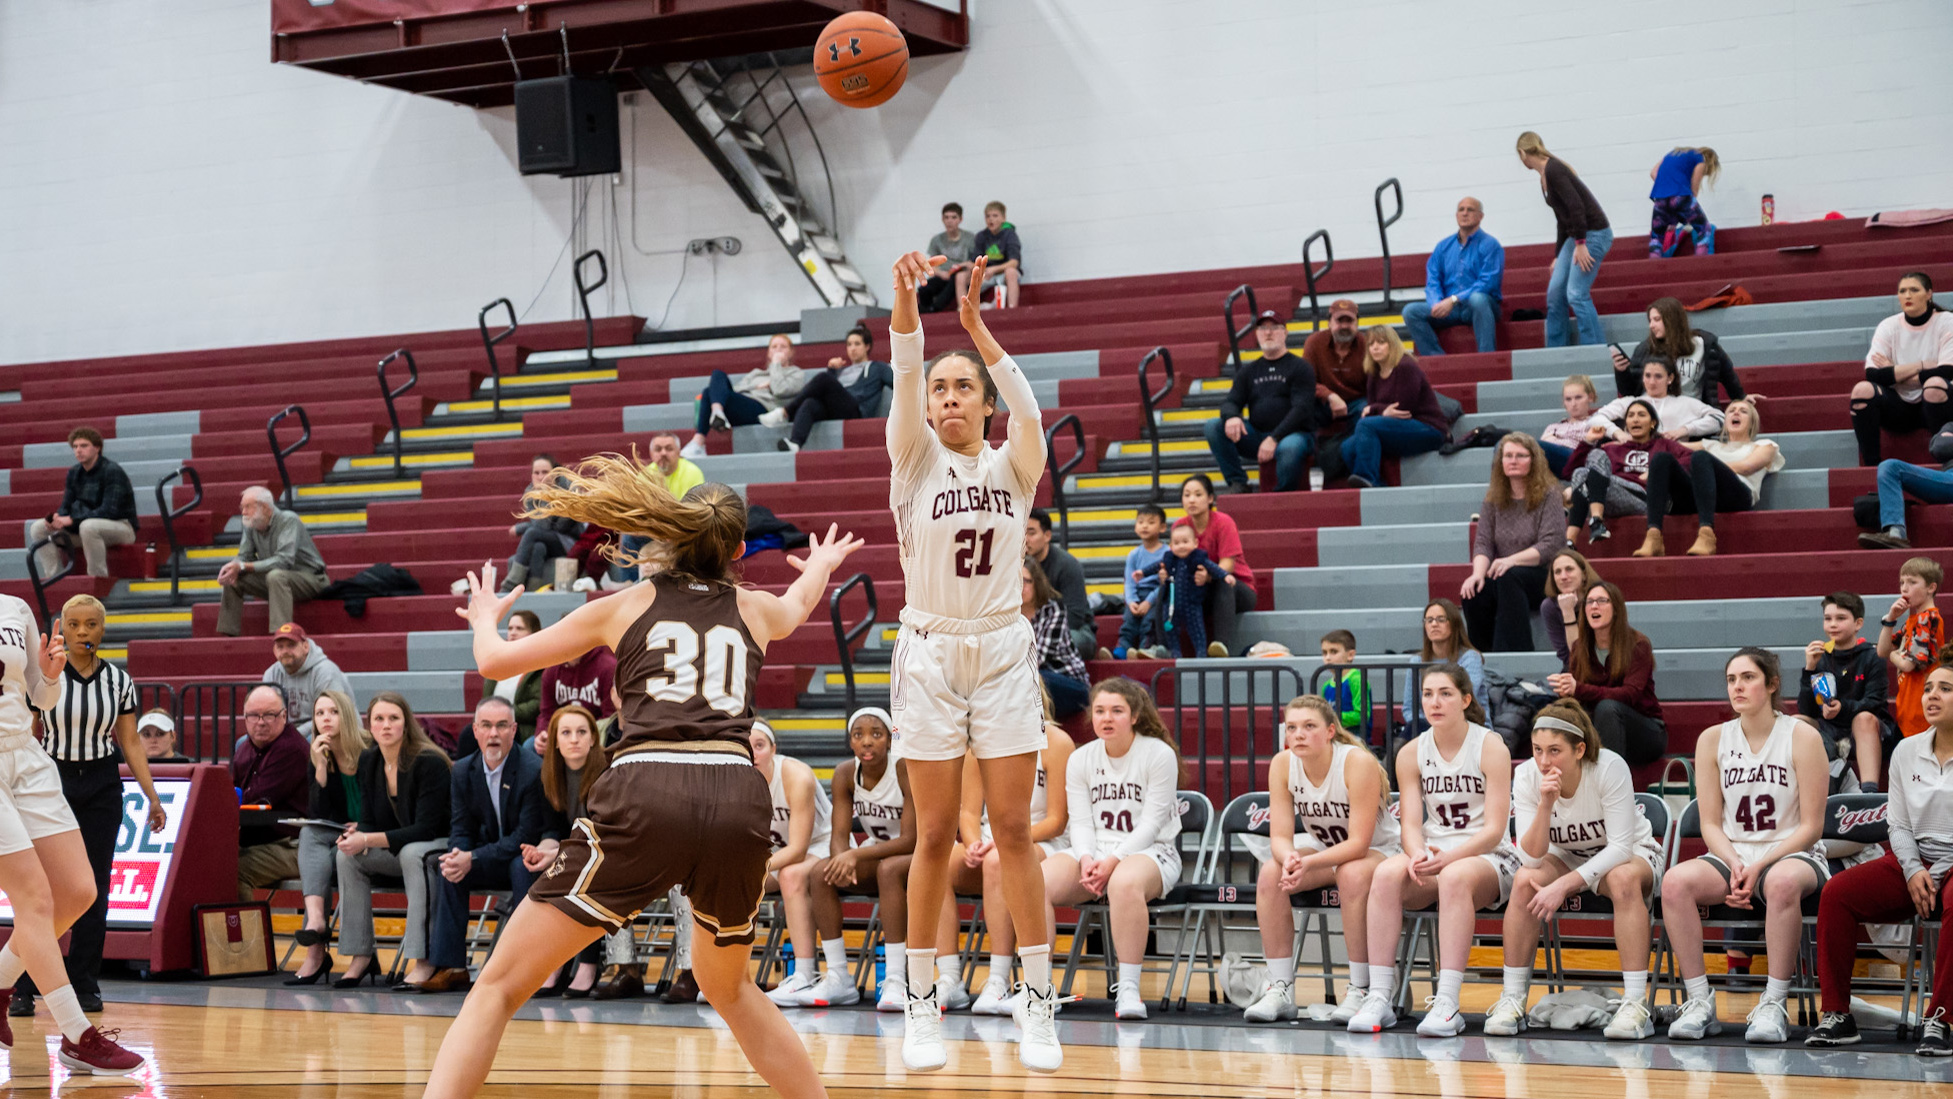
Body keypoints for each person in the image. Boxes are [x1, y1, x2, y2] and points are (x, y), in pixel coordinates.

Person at [422, 467, 860, 1099]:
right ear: (739, 551)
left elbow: (493, 662)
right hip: (739, 793)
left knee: (497, 985)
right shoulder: (756, 609)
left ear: (674, 537)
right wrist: (820, 563)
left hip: (647, 785)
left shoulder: (628, 603)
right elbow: (798, 606)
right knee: (731, 989)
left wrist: (486, 616)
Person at [882, 249, 1062, 1074]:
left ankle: (1036, 1001)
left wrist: (980, 332)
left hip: (997, 647)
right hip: (926, 649)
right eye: (939, 388)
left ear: (984, 404)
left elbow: (1031, 409)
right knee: (928, 837)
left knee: (1014, 830)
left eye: (963, 388)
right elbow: (905, 365)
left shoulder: (1012, 465)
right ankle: (922, 1003)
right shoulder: (912, 459)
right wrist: (907, 309)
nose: (948, 397)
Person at [0, 592, 146, 1073]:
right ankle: (78, 1034)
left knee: (80, 891)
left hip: (26, 754)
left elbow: (39, 698)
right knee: (35, 899)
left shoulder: (13, 608)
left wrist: (48, 674)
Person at [1661, 648, 1830, 1043]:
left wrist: (1758, 866)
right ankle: (1700, 1002)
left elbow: (1812, 826)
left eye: (1748, 677)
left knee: (1781, 882)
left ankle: (1773, 1003)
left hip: (1793, 853)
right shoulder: (1712, 740)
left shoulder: (1802, 736)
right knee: (1674, 883)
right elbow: (1708, 822)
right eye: (1732, 679)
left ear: (1771, 684)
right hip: (1733, 851)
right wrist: (1737, 863)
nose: (1738, 686)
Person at [1347, 664, 1520, 1036]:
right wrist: (1416, 854)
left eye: (1445, 693)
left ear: (1466, 700)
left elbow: (1494, 830)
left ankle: (1447, 1002)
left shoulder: (1491, 746)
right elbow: (1410, 823)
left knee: (1455, 876)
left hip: (1489, 857)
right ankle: (1380, 996)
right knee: (1386, 873)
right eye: (1427, 694)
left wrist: (1449, 859)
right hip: (1435, 853)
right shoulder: (1410, 752)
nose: (1435, 702)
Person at [1484, 701, 1665, 1039]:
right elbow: (1531, 859)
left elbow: (1620, 848)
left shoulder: (1609, 767)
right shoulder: (1526, 775)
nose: (1543, 761)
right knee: (1524, 882)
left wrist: (1564, 885)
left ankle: (1635, 1003)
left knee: (1623, 880)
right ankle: (1512, 998)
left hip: (1629, 854)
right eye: (1537, 750)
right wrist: (1545, 805)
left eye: (1555, 751)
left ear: (1580, 749)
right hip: (1566, 855)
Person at [1809, 644, 1953, 1055]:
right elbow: (1898, 823)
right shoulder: (1907, 750)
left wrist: (1937, 871)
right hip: (1911, 861)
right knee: (1837, 893)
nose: (1932, 696)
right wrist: (1911, 869)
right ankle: (1837, 1015)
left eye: (1945, 688)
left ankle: (1941, 1018)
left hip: (1950, 866)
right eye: (1929, 688)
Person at [1242, 694, 1400, 1023]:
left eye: (1309, 726)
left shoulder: (1356, 762)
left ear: (1330, 731)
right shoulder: (1282, 764)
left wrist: (1309, 863)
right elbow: (1281, 837)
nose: (1298, 734)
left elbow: (1358, 843)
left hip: (1381, 852)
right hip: (1328, 851)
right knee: (1271, 874)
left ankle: (1360, 987)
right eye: (1292, 728)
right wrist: (1289, 860)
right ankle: (1280, 988)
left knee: (1352, 873)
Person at [1046, 679, 1182, 1021]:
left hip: (1152, 851)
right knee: (1036, 881)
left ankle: (1130, 988)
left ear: (1135, 715)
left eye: (1117, 711)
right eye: (1100, 711)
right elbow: (1079, 822)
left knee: (1123, 882)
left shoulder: (1158, 754)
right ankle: (1039, 988)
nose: (1107, 718)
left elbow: (1151, 825)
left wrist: (1112, 861)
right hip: (1095, 851)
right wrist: (1088, 859)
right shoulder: (1081, 758)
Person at [933, 692, 1073, 1015]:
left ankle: (998, 979)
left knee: (999, 861)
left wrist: (1002, 844)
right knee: (936, 862)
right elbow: (968, 812)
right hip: (989, 841)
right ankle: (950, 979)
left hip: (1040, 842)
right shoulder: (977, 744)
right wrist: (971, 843)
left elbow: (1056, 820)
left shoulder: (1057, 741)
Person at [333, 692, 453, 991]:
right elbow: (370, 820)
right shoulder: (369, 760)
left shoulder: (429, 761)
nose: (386, 725)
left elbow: (426, 828)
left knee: (413, 853)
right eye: (379, 719)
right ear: (370, 726)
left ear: (406, 724)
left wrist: (368, 838)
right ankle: (361, 955)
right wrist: (355, 836)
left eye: (393, 719)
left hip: (440, 843)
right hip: (401, 848)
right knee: (347, 856)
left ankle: (423, 960)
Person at [425, 696, 546, 994]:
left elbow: (525, 836)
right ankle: (451, 966)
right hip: (487, 857)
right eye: (487, 726)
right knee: (448, 868)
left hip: (526, 856)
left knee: (522, 867)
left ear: (514, 730)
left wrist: (473, 857)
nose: (494, 734)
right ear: (475, 730)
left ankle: (523, 967)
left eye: (502, 726)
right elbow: (461, 827)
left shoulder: (532, 770)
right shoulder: (463, 770)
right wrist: (458, 855)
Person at [523, 704, 639, 1000]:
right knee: (532, 870)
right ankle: (551, 961)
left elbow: (609, 829)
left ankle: (587, 963)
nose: (573, 739)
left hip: (614, 850)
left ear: (592, 739)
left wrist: (559, 853)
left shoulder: (608, 772)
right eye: (566, 733)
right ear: (555, 741)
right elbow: (551, 829)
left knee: (580, 876)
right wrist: (543, 850)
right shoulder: (547, 776)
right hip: (574, 851)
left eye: (581, 732)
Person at [804, 708, 915, 1009]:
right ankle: (839, 977)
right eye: (859, 735)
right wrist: (842, 858)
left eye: (876, 734)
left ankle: (896, 980)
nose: (867, 742)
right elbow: (838, 834)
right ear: (850, 742)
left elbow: (910, 840)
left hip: (912, 857)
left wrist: (855, 853)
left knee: (889, 871)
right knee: (819, 873)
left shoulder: (903, 768)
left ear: (890, 741)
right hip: (877, 854)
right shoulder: (844, 774)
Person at [285, 689, 370, 985]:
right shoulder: (319, 754)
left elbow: (386, 801)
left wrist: (363, 825)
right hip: (338, 835)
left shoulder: (369, 749)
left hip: (371, 834)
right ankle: (317, 921)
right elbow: (318, 812)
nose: (325, 719)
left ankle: (316, 953)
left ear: (345, 714)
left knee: (324, 848)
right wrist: (320, 766)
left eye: (332, 711)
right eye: (319, 713)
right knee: (310, 832)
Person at [1635, 398, 1782, 558]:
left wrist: (1708, 468)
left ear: (1752, 421)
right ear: (1725, 421)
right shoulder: (1710, 445)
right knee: (1661, 459)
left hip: (1736, 496)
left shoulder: (1765, 445)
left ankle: (1706, 535)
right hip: (1702, 495)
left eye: (1743, 411)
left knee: (1700, 458)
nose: (1736, 413)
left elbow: (1746, 467)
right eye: (1732, 410)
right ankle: (1653, 536)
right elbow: (1667, 445)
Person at [1460, 434, 1566, 652]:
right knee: (1474, 591)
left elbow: (1551, 544)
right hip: (1506, 575)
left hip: (1544, 574)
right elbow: (1483, 542)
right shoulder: (1494, 497)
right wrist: (1478, 574)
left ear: (1533, 460)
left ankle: (1517, 654)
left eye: (1520, 456)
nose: (1513, 461)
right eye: (1508, 456)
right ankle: (1483, 659)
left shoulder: (1550, 494)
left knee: (1509, 577)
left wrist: (1510, 560)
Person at [756, 720, 836, 1007]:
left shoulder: (796, 775)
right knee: (725, 882)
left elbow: (799, 849)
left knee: (790, 875)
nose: (753, 753)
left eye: (760, 746)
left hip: (822, 844)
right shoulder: (735, 779)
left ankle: (805, 973)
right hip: (778, 853)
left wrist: (752, 868)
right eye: (747, 747)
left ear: (774, 749)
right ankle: (730, 976)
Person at [1549, 581, 1666, 766]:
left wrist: (1578, 688)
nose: (1594, 606)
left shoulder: (1637, 645)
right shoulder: (1579, 648)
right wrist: (1565, 690)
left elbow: (1629, 695)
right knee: (1557, 713)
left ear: (1617, 609)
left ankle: (1611, 782)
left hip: (1645, 733)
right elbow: (1579, 695)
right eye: (1589, 601)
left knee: (1608, 708)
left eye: (1602, 601)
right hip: (1600, 730)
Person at [1206, 309, 1320, 493]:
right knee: (1214, 426)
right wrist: (1232, 416)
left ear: (1285, 332)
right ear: (1257, 334)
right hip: (1257, 435)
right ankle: (1238, 483)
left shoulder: (1300, 367)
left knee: (1289, 448)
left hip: (1295, 434)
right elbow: (1231, 401)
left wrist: (1274, 438)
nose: (1268, 332)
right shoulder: (1249, 371)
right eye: (1263, 328)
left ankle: (1280, 495)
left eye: (1274, 327)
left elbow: (1302, 409)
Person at [1516, 131, 1613, 347]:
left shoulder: (1554, 170)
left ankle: (1593, 348)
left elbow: (1576, 206)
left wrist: (1580, 244)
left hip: (1594, 233)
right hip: (1576, 235)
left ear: (1522, 153)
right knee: (1555, 293)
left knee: (1576, 294)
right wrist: (1559, 255)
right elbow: (1562, 219)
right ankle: (1556, 350)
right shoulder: (1545, 176)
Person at [1851, 272, 1953, 467]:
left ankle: (1948, 462)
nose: (1907, 296)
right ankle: (1872, 467)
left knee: (1934, 386)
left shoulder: (1947, 321)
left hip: (1937, 404)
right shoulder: (1888, 326)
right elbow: (1873, 374)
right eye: (1902, 291)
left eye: (1914, 290)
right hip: (1898, 408)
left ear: (1929, 294)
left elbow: (1947, 371)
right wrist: (1921, 365)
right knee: (1861, 391)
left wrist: (1895, 372)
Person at [1565, 399, 1695, 545]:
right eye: (1631, 416)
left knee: (1589, 470)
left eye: (1641, 415)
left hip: (1646, 499)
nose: (1635, 420)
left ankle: (1591, 524)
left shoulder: (1664, 445)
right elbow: (1569, 472)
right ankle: (1573, 539)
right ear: (1626, 423)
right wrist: (1588, 441)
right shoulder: (1613, 449)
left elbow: (1691, 458)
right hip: (1608, 498)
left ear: (1653, 422)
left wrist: (1658, 470)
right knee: (1584, 469)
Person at [1797, 592, 1892, 792]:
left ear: (1858, 623)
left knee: (1863, 718)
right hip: (1830, 730)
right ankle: (1802, 789)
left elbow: (1875, 703)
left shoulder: (1873, 656)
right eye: (1828, 619)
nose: (1832, 624)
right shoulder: (1820, 657)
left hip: (1868, 732)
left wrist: (1842, 708)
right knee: (1797, 721)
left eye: (1840, 618)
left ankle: (1868, 794)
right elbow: (1807, 709)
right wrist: (1809, 670)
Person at [26, 427, 137, 581]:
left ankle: (97, 579)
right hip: (85, 529)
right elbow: (66, 505)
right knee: (38, 528)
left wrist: (72, 520)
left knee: (89, 526)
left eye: (84, 446)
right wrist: (57, 520)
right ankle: (55, 578)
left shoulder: (113, 471)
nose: (78, 450)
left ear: (97, 448)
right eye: (75, 447)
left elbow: (109, 511)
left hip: (121, 528)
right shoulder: (74, 472)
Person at [216, 486, 329, 637]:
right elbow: (245, 555)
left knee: (276, 576)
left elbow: (284, 561)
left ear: (264, 507)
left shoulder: (288, 520)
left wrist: (242, 565)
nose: (243, 512)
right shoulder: (251, 524)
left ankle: (281, 635)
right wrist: (233, 566)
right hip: (277, 581)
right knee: (234, 577)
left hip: (311, 579)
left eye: (247, 507)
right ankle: (227, 635)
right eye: (242, 507)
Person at [232, 683, 311, 900]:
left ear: (284, 716)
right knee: (211, 860)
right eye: (254, 715)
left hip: (292, 845)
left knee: (233, 870)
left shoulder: (291, 750)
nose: (260, 722)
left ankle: (247, 934)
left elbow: (254, 800)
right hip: (260, 843)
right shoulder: (245, 748)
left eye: (269, 715)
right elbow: (235, 795)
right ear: (245, 717)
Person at [1345, 326, 1448, 490]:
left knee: (1365, 426)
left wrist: (1376, 410)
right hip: (1398, 429)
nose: (1375, 347)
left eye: (1381, 342)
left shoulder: (1406, 366)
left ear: (1392, 344)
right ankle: (1378, 487)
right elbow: (1372, 409)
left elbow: (1404, 409)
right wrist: (1381, 410)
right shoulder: (1373, 372)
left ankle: (1367, 478)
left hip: (1427, 428)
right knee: (1347, 447)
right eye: (1371, 344)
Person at [763, 327, 895, 454]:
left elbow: (897, 382)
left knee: (823, 378)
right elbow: (825, 390)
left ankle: (785, 412)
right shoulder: (842, 370)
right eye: (849, 344)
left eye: (857, 344)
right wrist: (832, 370)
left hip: (856, 409)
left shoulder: (878, 367)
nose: (852, 348)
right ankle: (795, 443)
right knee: (810, 403)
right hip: (837, 409)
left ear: (867, 346)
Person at [1401, 196, 1504, 356]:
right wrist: (1436, 303)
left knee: (1478, 298)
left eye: (1470, 210)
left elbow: (1487, 283)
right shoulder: (1443, 247)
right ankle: (1437, 360)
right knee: (1411, 311)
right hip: (1451, 310)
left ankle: (1487, 357)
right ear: (1456, 216)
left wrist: (1454, 299)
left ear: (1480, 216)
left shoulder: (1491, 245)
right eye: (1461, 210)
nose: (1465, 213)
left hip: (1480, 307)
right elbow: (1433, 280)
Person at [681, 334, 808, 459]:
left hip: (763, 409)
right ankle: (717, 413)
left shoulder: (796, 374)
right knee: (717, 375)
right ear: (768, 352)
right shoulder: (756, 373)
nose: (778, 350)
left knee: (708, 392)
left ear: (791, 352)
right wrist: (756, 387)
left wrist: (775, 366)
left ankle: (699, 440)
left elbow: (780, 390)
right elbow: (736, 390)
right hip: (742, 404)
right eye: (774, 347)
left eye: (783, 347)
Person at [1174, 475, 1258, 658]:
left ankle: (1221, 645)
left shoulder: (1223, 522)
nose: (1192, 500)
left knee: (1223, 582)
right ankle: (1163, 646)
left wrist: (1209, 576)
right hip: (1199, 588)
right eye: (1187, 495)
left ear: (1210, 498)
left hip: (1238, 588)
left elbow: (1227, 564)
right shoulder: (1180, 526)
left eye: (1198, 494)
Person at [1608, 298, 1744, 406]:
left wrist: (1741, 397)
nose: (1651, 326)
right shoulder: (1645, 349)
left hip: (1692, 411)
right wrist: (1621, 372)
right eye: (1650, 320)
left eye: (1657, 320)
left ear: (1672, 320)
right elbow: (1630, 391)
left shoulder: (1705, 344)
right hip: (1655, 411)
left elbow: (1727, 374)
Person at [611, 433, 705, 585]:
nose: (663, 453)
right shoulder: (645, 475)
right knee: (627, 536)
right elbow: (636, 515)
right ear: (651, 453)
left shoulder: (692, 473)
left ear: (678, 452)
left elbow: (695, 514)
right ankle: (629, 585)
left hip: (683, 528)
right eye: (658, 449)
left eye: (669, 449)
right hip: (656, 529)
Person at [1878, 556, 1945, 740]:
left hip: (1920, 705)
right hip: (1908, 703)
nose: (1904, 588)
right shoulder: (1912, 621)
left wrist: (1894, 654)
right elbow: (1882, 650)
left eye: (1912, 582)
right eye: (1902, 582)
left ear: (1931, 588)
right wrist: (1890, 619)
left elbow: (1908, 664)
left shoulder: (1927, 618)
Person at [1860, 421, 1953, 550]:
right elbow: (1940, 447)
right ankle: (1896, 535)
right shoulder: (1950, 426)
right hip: (1949, 478)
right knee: (1889, 467)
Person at [1588, 357, 1724, 442]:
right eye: (1647, 376)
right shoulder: (1630, 402)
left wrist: (1685, 430)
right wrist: (1618, 434)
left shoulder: (1685, 402)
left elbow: (1720, 418)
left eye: (1658, 376)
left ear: (1670, 378)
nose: (1652, 382)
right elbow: (1595, 418)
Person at [1145, 524, 1229, 660]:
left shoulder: (1198, 558)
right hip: (1171, 605)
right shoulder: (1169, 559)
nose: (1181, 546)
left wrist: (1225, 575)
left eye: (1185, 542)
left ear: (1195, 543)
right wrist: (1142, 573)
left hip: (1192, 602)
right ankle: (1174, 652)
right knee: (1171, 630)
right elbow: (1156, 566)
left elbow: (1212, 567)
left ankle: (1201, 653)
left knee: (1196, 629)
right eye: (1177, 543)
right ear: (1171, 546)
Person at [503, 455, 583, 593]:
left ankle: (511, 583)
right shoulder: (531, 494)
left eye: (545, 472)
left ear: (554, 472)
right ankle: (535, 588)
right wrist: (540, 494)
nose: (540, 477)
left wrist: (521, 527)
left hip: (570, 541)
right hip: (548, 539)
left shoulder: (567, 488)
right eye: (536, 473)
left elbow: (559, 526)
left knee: (532, 534)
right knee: (538, 547)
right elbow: (540, 525)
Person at [1024, 559, 1090, 719]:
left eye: (1026, 581)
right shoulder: (1006, 615)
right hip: (1029, 682)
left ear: (1037, 583)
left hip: (1069, 684)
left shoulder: (1053, 610)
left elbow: (1037, 659)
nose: (1020, 587)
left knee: (1032, 678)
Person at [262, 622, 353, 736]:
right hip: (288, 735)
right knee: (243, 743)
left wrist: (292, 736)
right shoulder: (271, 674)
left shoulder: (325, 671)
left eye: (291, 645)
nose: (285, 651)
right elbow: (266, 714)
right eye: (280, 647)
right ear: (275, 651)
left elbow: (332, 717)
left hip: (333, 733)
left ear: (305, 646)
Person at [1025, 510, 1095, 658]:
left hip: (1070, 629)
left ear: (1047, 536)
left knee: (1072, 640)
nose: (1025, 539)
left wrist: (1043, 635)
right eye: (1022, 532)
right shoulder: (1016, 563)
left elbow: (1075, 617)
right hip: (1028, 628)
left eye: (1031, 533)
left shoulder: (1067, 565)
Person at [1406, 600, 1484, 732]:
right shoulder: (1416, 661)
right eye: (1429, 620)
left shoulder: (1470, 658)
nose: (1434, 624)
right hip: (1426, 728)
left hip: (1468, 726)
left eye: (1441, 619)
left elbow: (1464, 702)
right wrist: (1430, 726)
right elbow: (1409, 709)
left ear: (1454, 624)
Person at [1107, 504, 1167, 659]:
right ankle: (1122, 649)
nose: (1145, 526)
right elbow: (1129, 581)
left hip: (1157, 595)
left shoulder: (1167, 553)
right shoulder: (1134, 554)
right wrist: (1132, 600)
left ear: (1162, 527)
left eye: (1151, 522)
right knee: (1128, 621)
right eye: (1140, 522)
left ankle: (1145, 648)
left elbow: (1163, 584)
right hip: (1137, 593)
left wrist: (1149, 601)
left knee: (1149, 621)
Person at [1302, 299, 1369, 425]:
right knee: (1301, 408)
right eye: (1339, 321)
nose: (1344, 326)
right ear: (1329, 323)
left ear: (1357, 323)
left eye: (1349, 321)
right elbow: (1305, 381)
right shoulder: (1314, 342)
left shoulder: (1367, 344)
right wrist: (1330, 395)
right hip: (1323, 402)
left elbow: (1374, 383)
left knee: (1367, 412)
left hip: (1357, 402)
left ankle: (1353, 443)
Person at [1647, 146, 1720, 258]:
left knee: (1656, 237)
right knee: (1704, 229)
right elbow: (1693, 191)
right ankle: (1702, 262)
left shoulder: (1671, 153)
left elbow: (1653, 173)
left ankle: (1654, 265)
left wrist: (1669, 186)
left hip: (1660, 198)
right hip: (1682, 197)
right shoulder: (1699, 159)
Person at [482, 610, 543, 741]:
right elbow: (486, 700)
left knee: (507, 733)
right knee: (468, 734)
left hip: (524, 727)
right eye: (510, 628)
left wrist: (504, 713)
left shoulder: (541, 665)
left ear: (534, 633)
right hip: (495, 723)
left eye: (519, 628)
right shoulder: (497, 663)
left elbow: (536, 705)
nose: (513, 632)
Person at [1538, 548, 1603, 666]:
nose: (1563, 576)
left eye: (1569, 569)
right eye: (1557, 572)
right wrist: (1568, 611)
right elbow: (1572, 658)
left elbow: (1600, 655)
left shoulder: (1601, 599)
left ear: (1584, 574)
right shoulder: (1550, 607)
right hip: (1575, 669)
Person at [536, 645, 615, 733]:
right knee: (531, 745)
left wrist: (585, 734)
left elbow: (610, 716)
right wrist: (543, 732)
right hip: (562, 733)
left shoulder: (608, 667)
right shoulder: (551, 670)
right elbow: (546, 713)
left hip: (598, 733)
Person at [960, 202, 1022, 307]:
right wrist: (970, 266)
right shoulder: (981, 236)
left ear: (1003, 218)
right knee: (961, 276)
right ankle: (964, 308)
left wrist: (994, 269)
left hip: (1003, 272)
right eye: (988, 216)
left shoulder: (1010, 235)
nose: (991, 219)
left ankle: (1012, 308)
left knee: (1011, 272)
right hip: (986, 273)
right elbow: (976, 260)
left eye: (995, 216)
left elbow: (1014, 262)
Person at [919, 202, 975, 313]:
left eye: (954, 217)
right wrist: (941, 273)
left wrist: (963, 267)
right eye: (947, 217)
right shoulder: (937, 240)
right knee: (923, 289)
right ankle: (925, 312)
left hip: (961, 274)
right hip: (943, 274)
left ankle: (935, 308)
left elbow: (973, 262)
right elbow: (931, 264)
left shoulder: (969, 238)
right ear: (942, 219)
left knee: (956, 278)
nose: (950, 221)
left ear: (960, 219)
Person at [1539, 375, 1601, 477]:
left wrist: (1553, 439)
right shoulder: (1553, 427)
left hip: (1578, 459)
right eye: (1568, 399)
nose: (1573, 404)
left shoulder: (1596, 422)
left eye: (1578, 397)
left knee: (1532, 445)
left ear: (1590, 397)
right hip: (1554, 461)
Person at [1319, 631, 1371, 734]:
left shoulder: (1356, 679)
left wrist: (1331, 718)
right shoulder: (1326, 686)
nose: (1328, 657)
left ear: (1350, 655)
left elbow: (1362, 715)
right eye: (1324, 653)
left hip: (1356, 738)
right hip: (1333, 737)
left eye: (1333, 652)